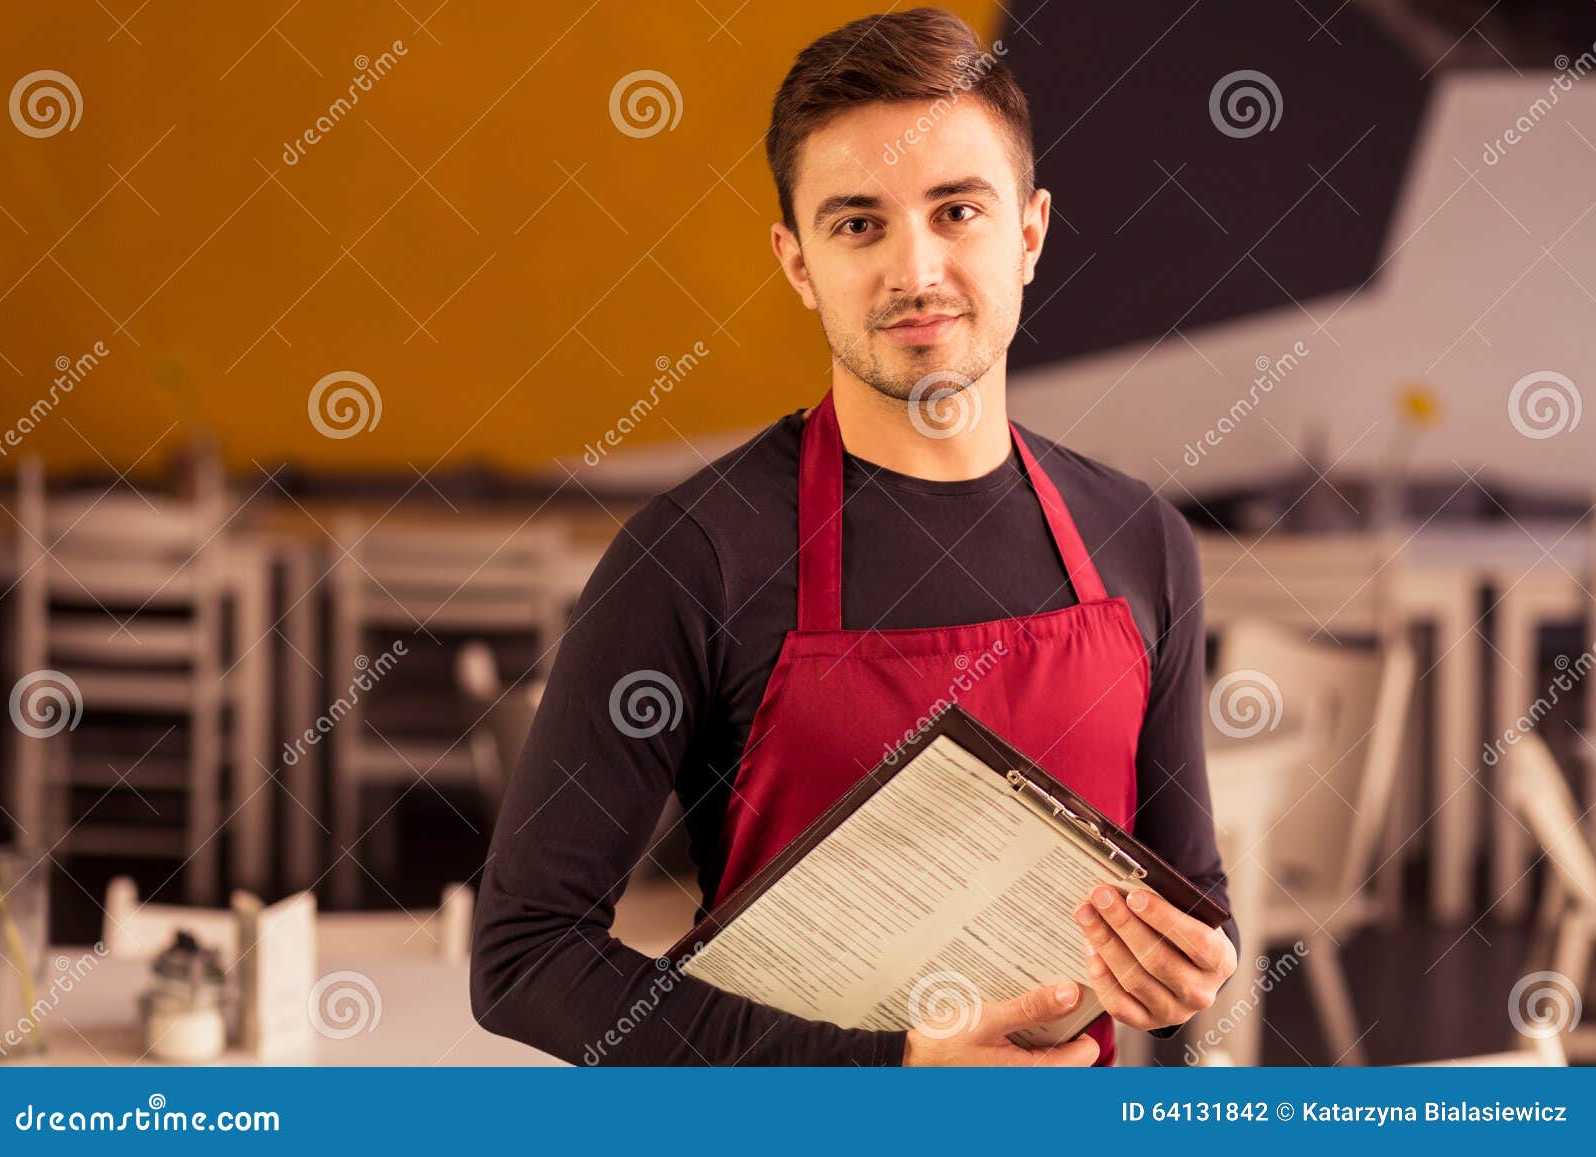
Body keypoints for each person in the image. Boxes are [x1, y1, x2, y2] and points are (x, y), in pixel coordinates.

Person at [472, 7, 1238, 1067]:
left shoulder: (1141, 540)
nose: (913, 271)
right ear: (797, 261)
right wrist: (892, 1072)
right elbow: (526, 957)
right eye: (858, 223)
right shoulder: (693, 555)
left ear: (1028, 231)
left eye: (956, 210)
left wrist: (1190, 966)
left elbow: (1194, 897)